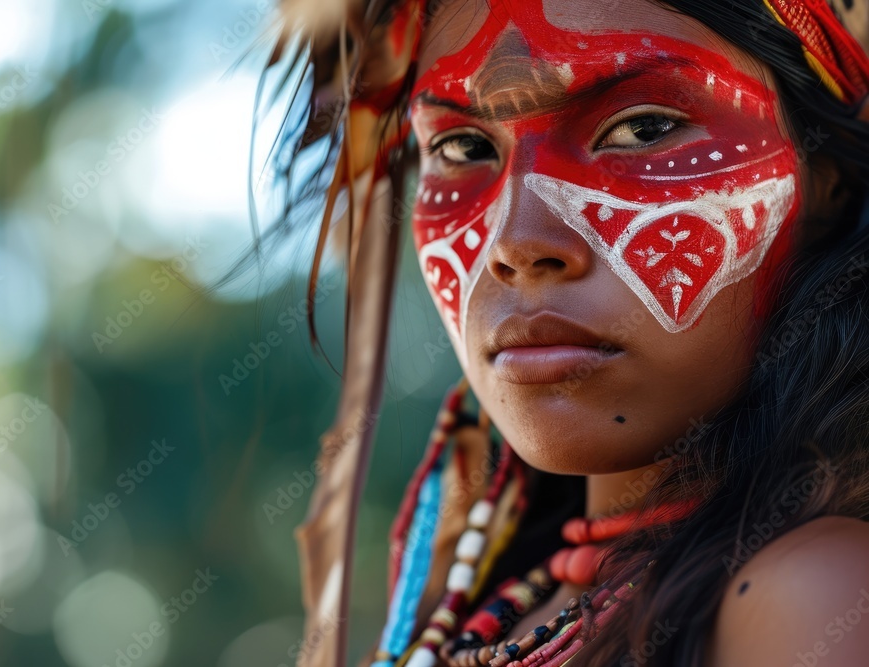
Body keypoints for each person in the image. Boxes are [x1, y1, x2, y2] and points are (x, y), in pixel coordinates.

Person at [257, 0, 869, 664]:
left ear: (827, 183)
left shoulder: (813, 597)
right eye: (463, 147)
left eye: (642, 129)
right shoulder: (492, 606)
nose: (517, 242)